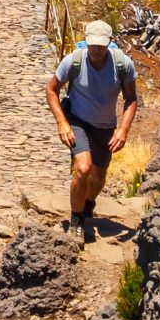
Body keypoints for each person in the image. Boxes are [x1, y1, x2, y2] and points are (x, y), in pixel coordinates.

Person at [46, 21, 140, 243]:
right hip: (78, 120)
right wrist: (62, 122)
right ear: (86, 42)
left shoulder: (122, 64)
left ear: (109, 43)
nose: (97, 50)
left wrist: (123, 130)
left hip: (106, 127)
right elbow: (51, 89)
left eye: (102, 45)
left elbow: (131, 98)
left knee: (98, 179)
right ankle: (76, 221)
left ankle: (87, 206)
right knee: (83, 168)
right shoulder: (74, 61)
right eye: (93, 45)